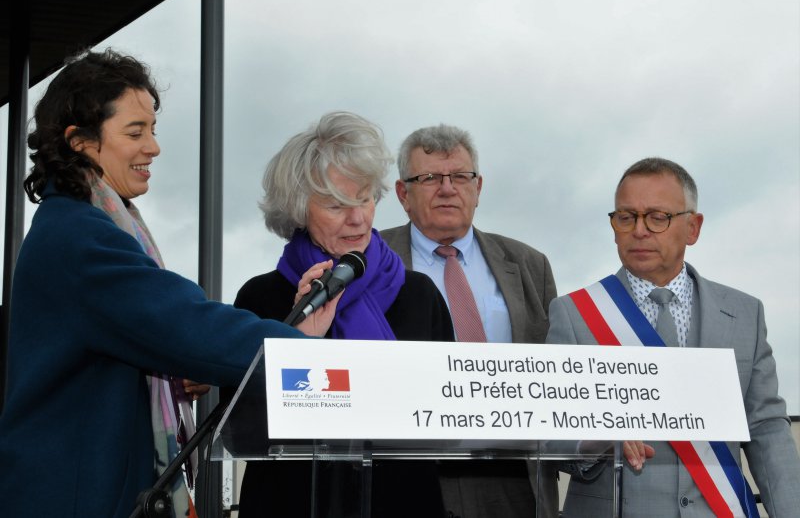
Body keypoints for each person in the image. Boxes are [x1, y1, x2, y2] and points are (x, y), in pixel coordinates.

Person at [0, 49, 336, 518]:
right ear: (79, 141)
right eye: (135, 132)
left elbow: (129, 338)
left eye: (152, 130)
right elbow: (184, 322)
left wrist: (175, 373)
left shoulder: (89, 224)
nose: (153, 147)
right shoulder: (79, 237)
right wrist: (299, 350)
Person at [545, 157, 800, 517]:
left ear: (693, 228)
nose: (639, 230)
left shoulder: (745, 315)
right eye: (626, 216)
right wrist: (596, 441)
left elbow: (767, 431)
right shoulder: (574, 314)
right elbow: (549, 433)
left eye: (657, 217)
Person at [231, 111, 455, 518]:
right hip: (290, 504)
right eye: (337, 205)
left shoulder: (419, 295)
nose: (358, 218)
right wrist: (302, 345)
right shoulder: (263, 299)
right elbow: (244, 429)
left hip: (404, 504)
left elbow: (447, 416)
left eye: (365, 199)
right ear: (299, 210)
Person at [381, 124, 558, 518]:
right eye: (429, 178)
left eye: (460, 176)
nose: (447, 188)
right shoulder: (368, 261)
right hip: (404, 472)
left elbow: (553, 372)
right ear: (403, 194)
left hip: (511, 476)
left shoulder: (530, 265)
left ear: (478, 188)